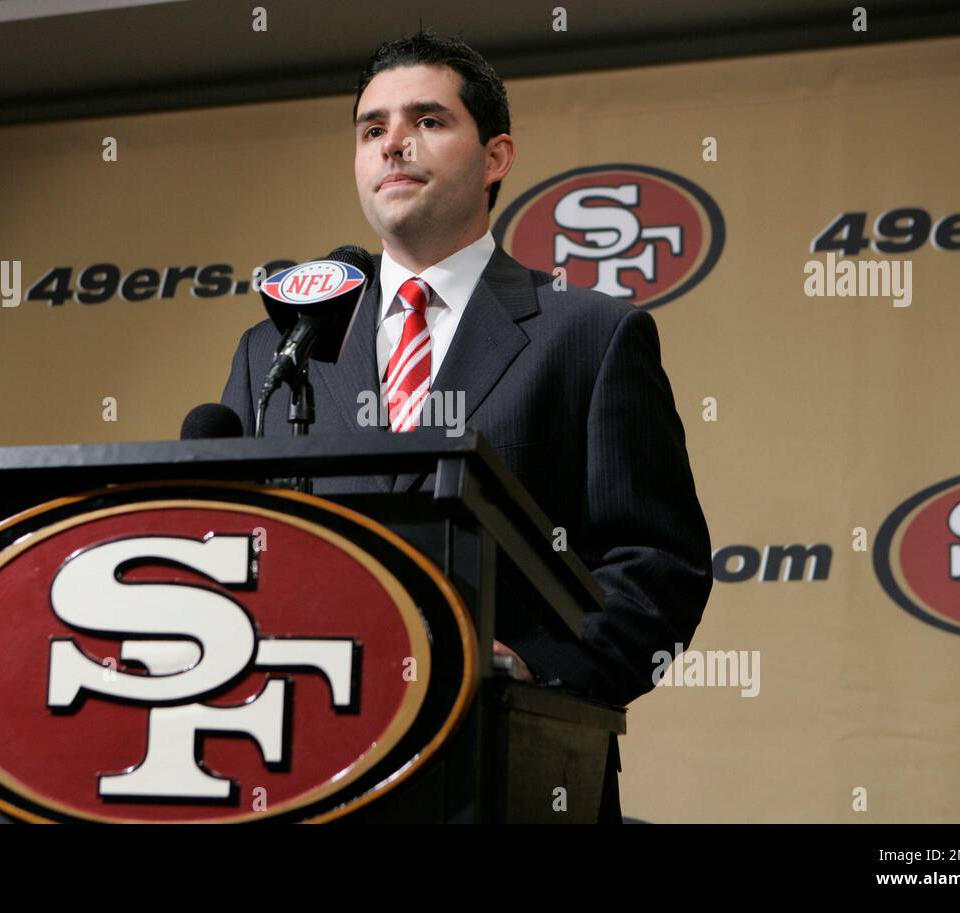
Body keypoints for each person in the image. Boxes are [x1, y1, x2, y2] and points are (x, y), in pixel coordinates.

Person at [220, 30, 713, 821]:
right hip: (304, 767)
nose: (394, 146)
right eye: (371, 129)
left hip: (507, 772)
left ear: (496, 157)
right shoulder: (280, 348)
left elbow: (658, 563)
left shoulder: (588, 335)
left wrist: (537, 670)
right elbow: (233, 542)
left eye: (428, 121)